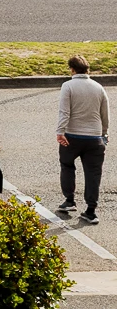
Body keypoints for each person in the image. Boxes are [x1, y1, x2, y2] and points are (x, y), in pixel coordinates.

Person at [58, 54, 110, 225]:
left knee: (67, 165)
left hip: (72, 136)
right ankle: (91, 210)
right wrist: (104, 134)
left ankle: (69, 200)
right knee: (93, 173)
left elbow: (64, 112)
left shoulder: (68, 86)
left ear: (72, 69)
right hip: (95, 138)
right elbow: (105, 115)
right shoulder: (99, 87)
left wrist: (60, 132)